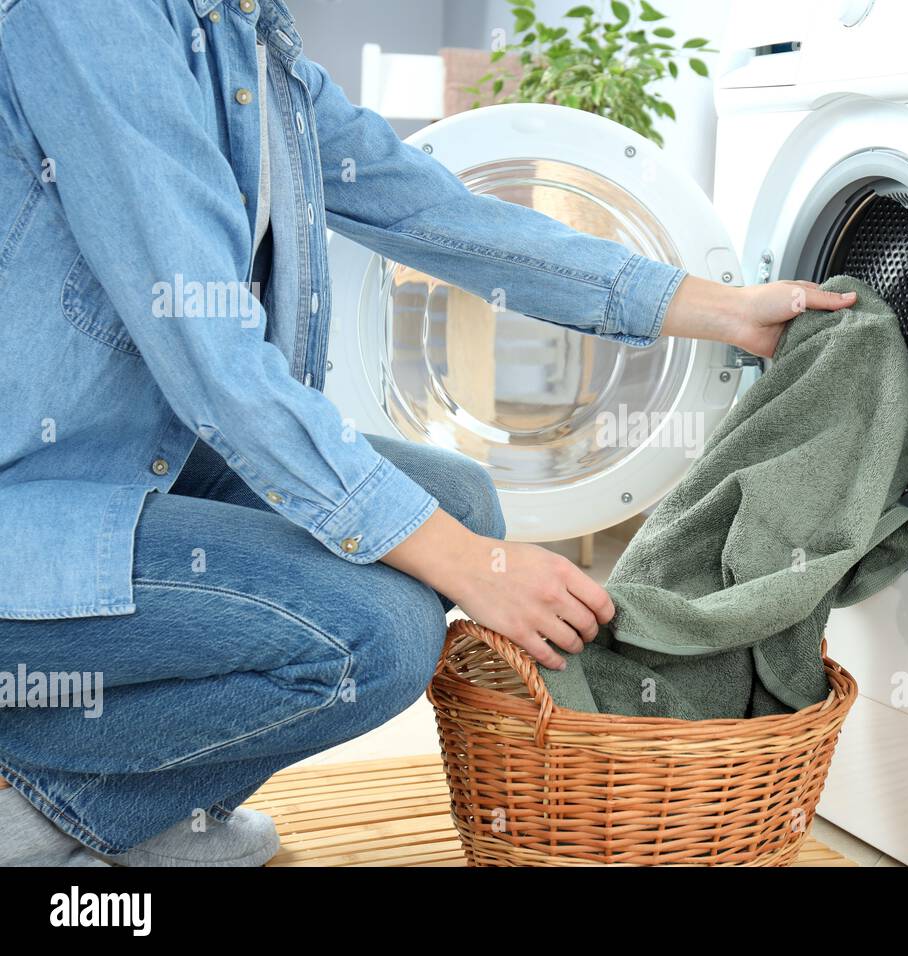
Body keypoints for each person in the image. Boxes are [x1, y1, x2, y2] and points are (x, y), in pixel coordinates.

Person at [0, 0, 856, 866]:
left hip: (139, 470)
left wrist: (723, 311)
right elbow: (211, 357)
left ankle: (148, 803)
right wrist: (468, 567)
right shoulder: (86, 16)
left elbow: (438, 214)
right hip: (31, 506)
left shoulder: (244, 32)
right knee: (377, 636)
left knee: (460, 500)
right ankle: (49, 806)